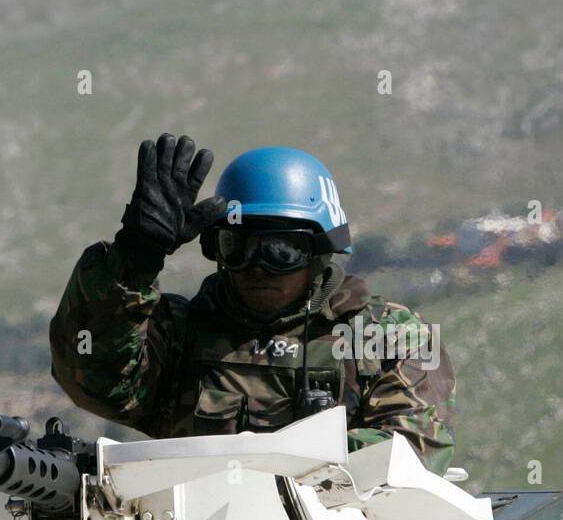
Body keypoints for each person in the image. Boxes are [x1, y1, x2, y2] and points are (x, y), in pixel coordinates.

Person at [49, 133, 456, 473]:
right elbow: (92, 381)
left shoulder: (388, 338)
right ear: (215, 249)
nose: (258, 268)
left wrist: (264, 469)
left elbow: (411, 453)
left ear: (319, 254)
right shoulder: (178, 334)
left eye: (282, 251)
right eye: (237, 246)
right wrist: (134, 258)